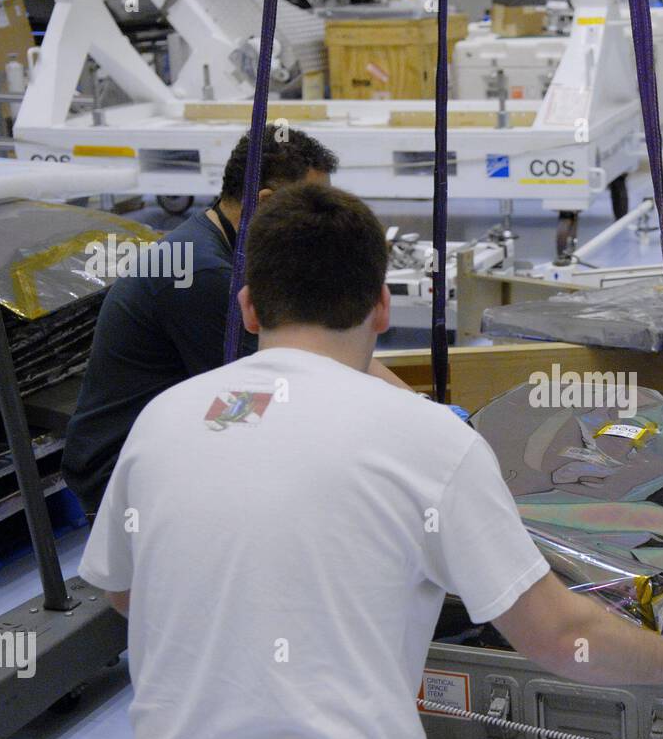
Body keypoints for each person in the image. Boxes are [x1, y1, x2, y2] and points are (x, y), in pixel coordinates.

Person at [77, 182, 663, 739]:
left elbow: (125, 595)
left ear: (248, 308)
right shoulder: (430, 442)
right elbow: (565, 640)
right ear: (381, 307)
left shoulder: (161, 421)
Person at [62, 126, 411, 516]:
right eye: (311, 207)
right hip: (122, 477)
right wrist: (411, 422)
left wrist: (417, 406)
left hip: (172, 447)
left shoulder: (221, 241)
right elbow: (289, 384)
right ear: (266, 201)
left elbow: (324, 345)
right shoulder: (202, 272)